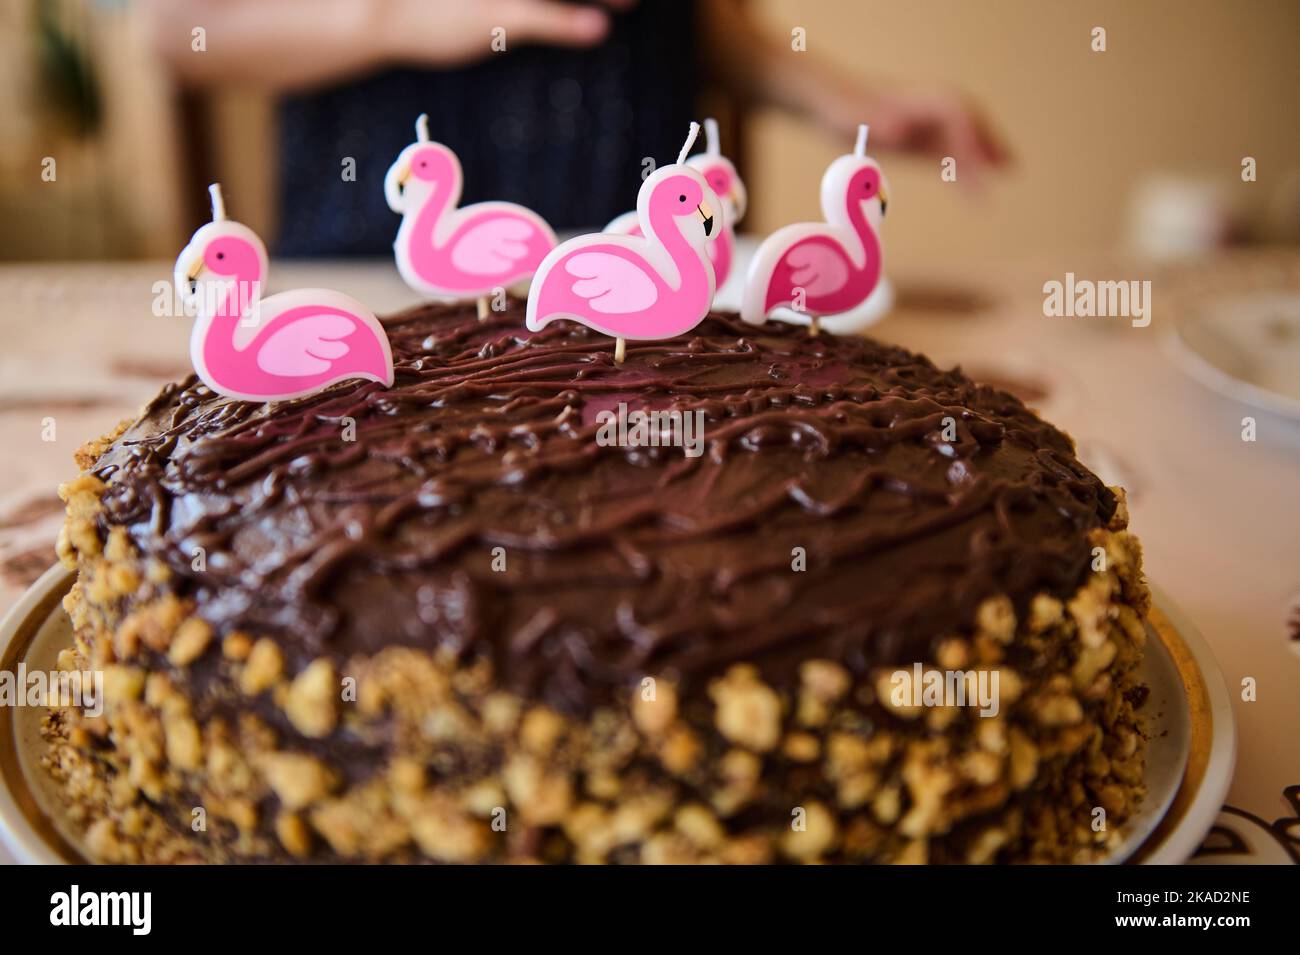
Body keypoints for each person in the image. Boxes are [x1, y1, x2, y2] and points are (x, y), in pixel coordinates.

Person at [144, 0, 1009, 256]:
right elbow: (179, 28)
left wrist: (837, 96)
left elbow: (685, 17)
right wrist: (395, 16)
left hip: (648, 270)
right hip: (374, 271)